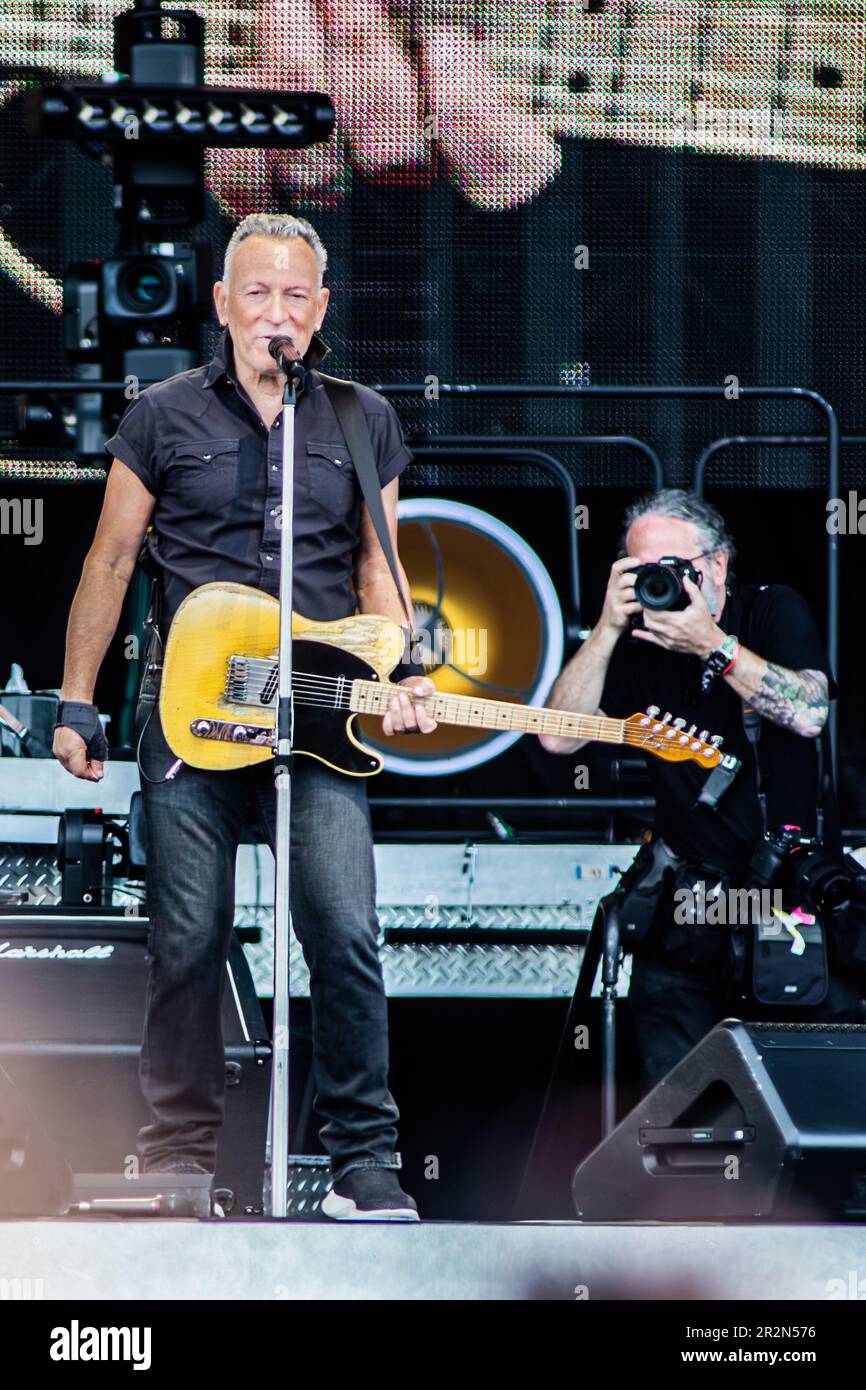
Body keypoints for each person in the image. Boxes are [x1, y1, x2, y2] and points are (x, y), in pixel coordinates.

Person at [52, 212, 437, 1220]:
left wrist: (405, 666)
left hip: (316, 711)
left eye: (295, 295)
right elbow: (110, 560)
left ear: (320, 311)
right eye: (257, 292)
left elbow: (375, 568)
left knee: (345, 929)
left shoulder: (361, 418)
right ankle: (177, 1156)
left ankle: (361, 1161)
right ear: (222, 305)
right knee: (187, 934)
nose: (277, 312)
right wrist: (76, 704)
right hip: (190, 712)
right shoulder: (164, 416)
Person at [539, 488, 860, 1090]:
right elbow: (560, 738)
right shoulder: (635, 643)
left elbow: (810, 712)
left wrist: (709, 644)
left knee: (803, 1115)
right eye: (642, 571)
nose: (660, 584)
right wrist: (607, 628)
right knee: (680, 1123)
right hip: (687, 910)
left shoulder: (769, 611)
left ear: (718, 565)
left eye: (673, 569)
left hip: (785, 904)